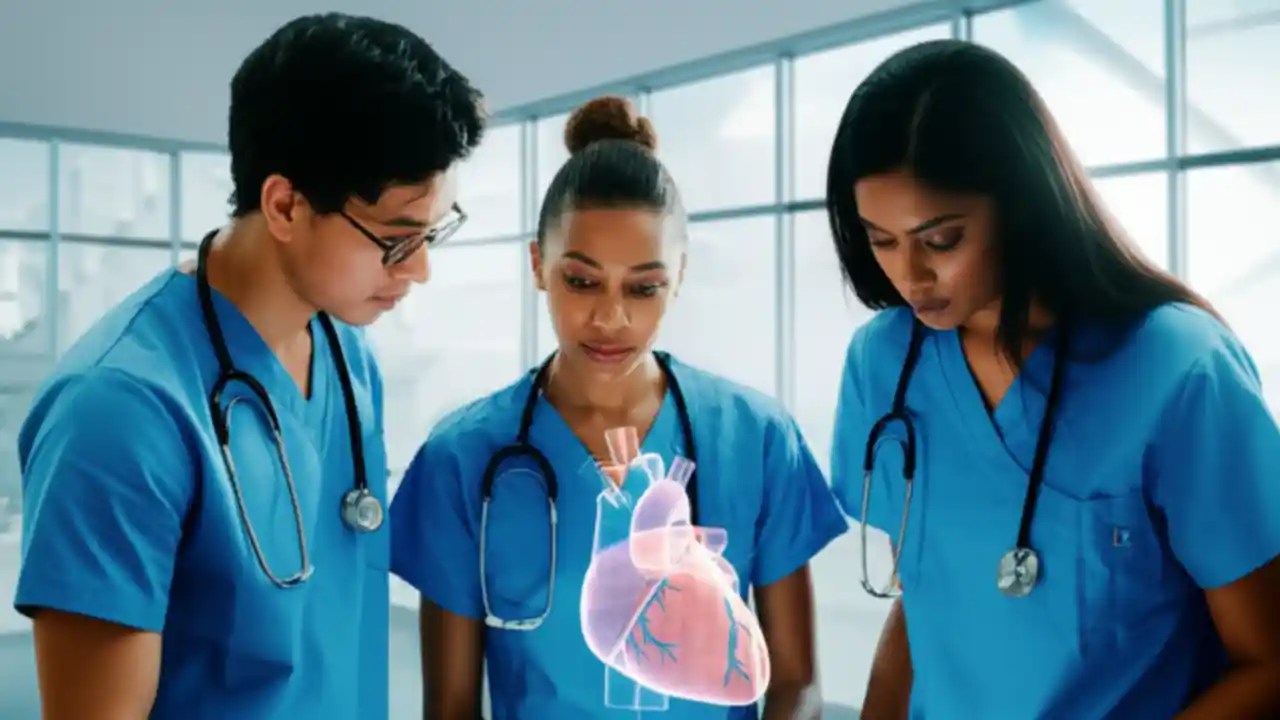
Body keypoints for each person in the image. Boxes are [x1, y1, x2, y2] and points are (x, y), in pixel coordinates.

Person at [13, 13, 485, 720]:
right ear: (286, 204)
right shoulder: (117, 413)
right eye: (395, 239)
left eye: (433, 234)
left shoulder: (349, 353)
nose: (418, 269)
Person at [825, 39, 1280, 719]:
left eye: (941, 240)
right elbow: (928, 602)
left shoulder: (1180, 372)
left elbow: (1269, 662)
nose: (909, 276)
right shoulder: (885, 364)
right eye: (880, 240)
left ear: (1021, 203)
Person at [389, 95, 847, 719]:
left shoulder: (757, 439)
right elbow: (450, 708)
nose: (611, 317)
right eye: (581, 281)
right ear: (538, 267)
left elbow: (797, 685)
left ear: (679, 277)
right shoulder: (462, 458)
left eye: (644, 287)